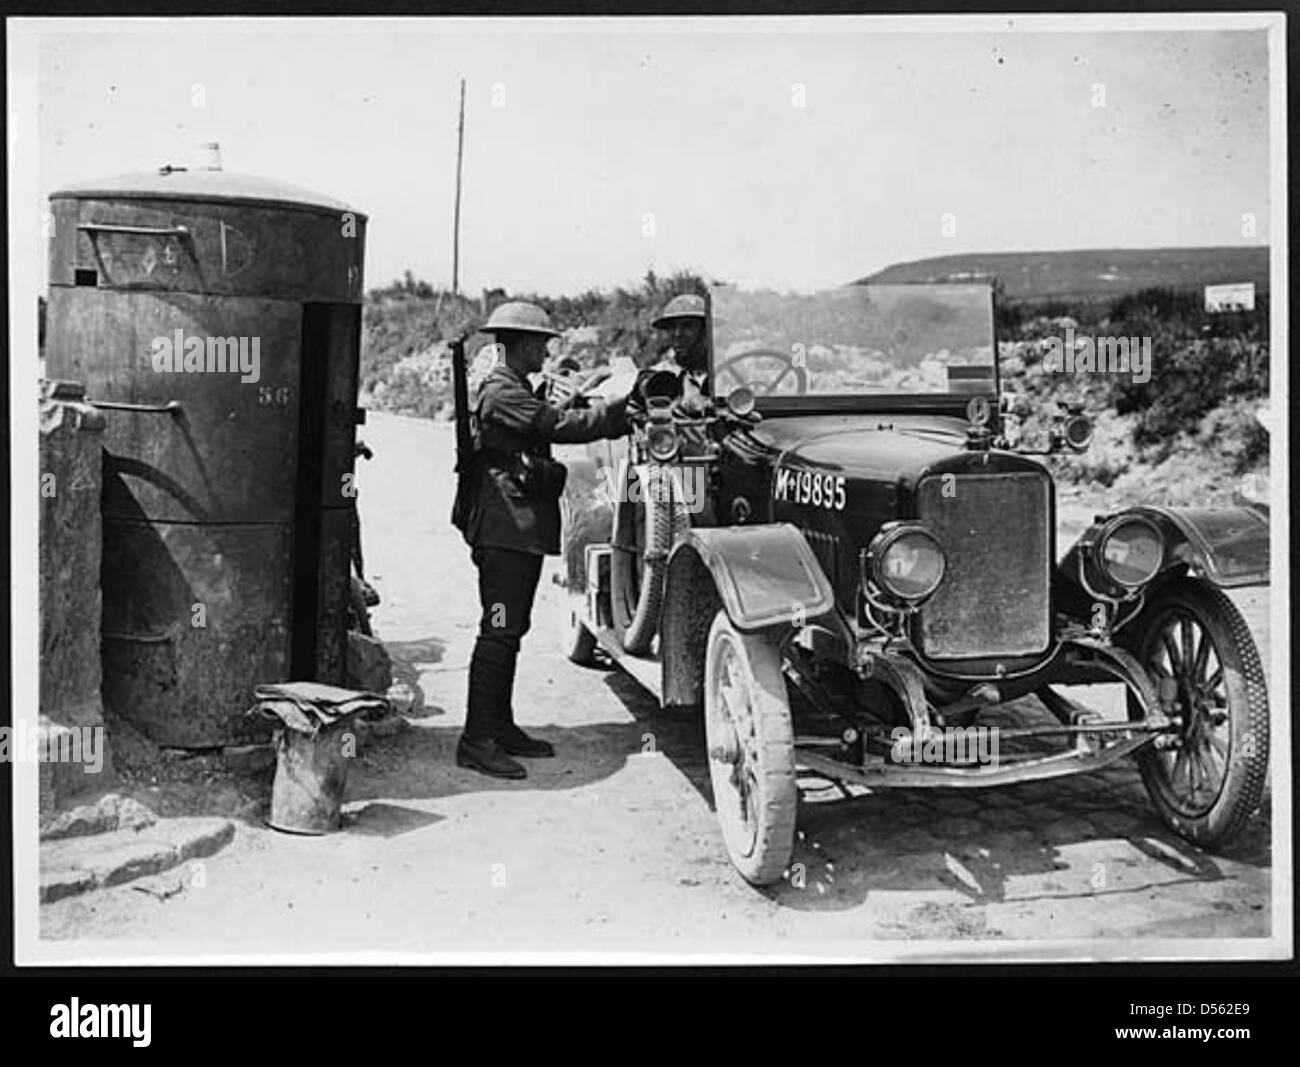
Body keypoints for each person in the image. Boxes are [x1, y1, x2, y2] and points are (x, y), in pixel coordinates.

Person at [457, 301, 632, 779]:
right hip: (503, 530)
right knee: (499, 631)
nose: (545, 350)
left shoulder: (513, 387)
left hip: (513, 528)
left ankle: (499, 725)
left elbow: (548, 417)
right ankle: (476, 739)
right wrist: (619, 414)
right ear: (517, 344)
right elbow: (555, 426)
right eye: (539, 343)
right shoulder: (501, 392)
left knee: (511, 628)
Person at [649, 292, 710, 416]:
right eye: (671, 327)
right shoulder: (666, 375)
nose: (677, 334)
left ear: (706, 330)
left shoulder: (731, 375)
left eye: (687, 326)